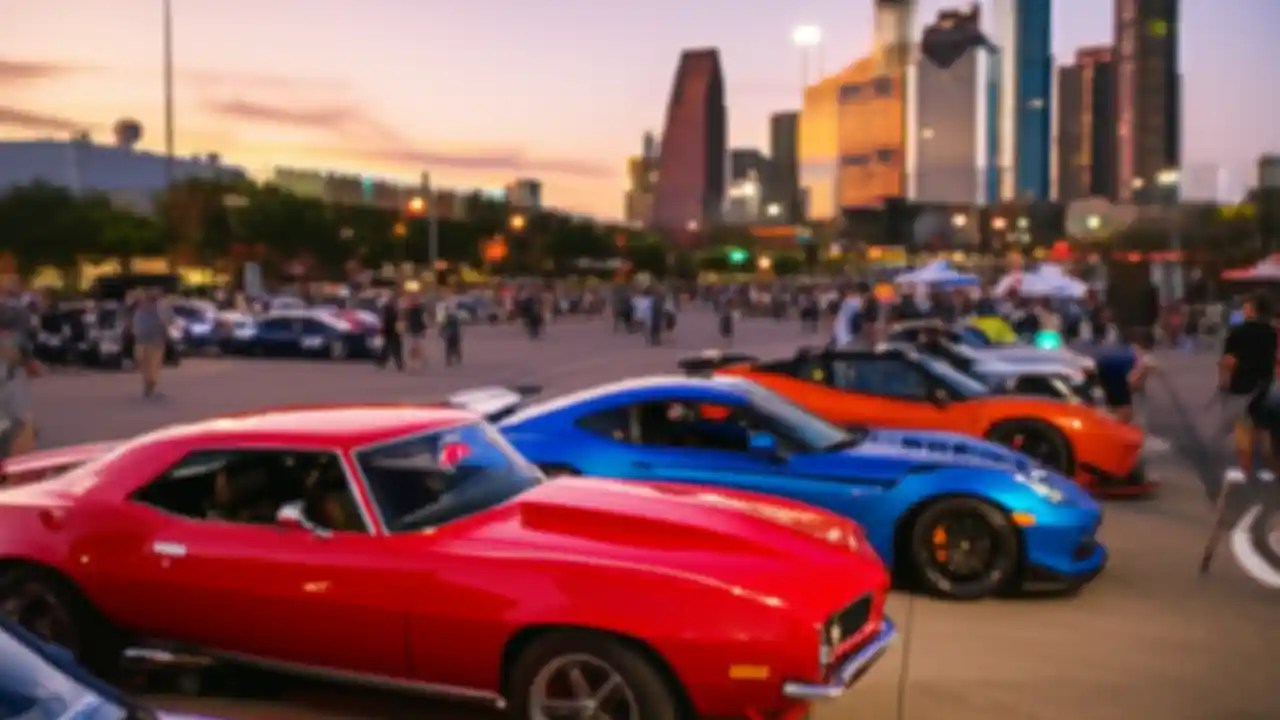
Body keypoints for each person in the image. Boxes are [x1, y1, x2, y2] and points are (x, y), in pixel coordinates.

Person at [1219, 293, 1278, 483]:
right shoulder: (1272, 332)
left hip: (1241, 385)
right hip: (1265, 385)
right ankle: (1270, 470)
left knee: (1243, 428)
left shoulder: (1237, 332)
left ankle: (1245, 470)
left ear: (1252, 309)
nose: (1243, 308)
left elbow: (1228, 360)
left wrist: (1223, 382)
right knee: (1264, 428)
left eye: (1246, 306)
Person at [130, 288, 172, 397]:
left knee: (153, 366)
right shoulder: (139, 311)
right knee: (144, 364)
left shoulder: (159, 310)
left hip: (155, 342)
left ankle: (150, 386)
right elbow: (135, 325)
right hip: (142, 341)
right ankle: (148, 386)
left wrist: (165, 333)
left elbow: (167, 321)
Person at [377, 291, 405, 371]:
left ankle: (394, 362)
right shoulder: (388, 308)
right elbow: (385, 319)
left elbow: (399, 319)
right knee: (390, 346)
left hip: (393, 329)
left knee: (391, 346)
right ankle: (395, 362)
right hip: (389, 329)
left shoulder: (395, 308)